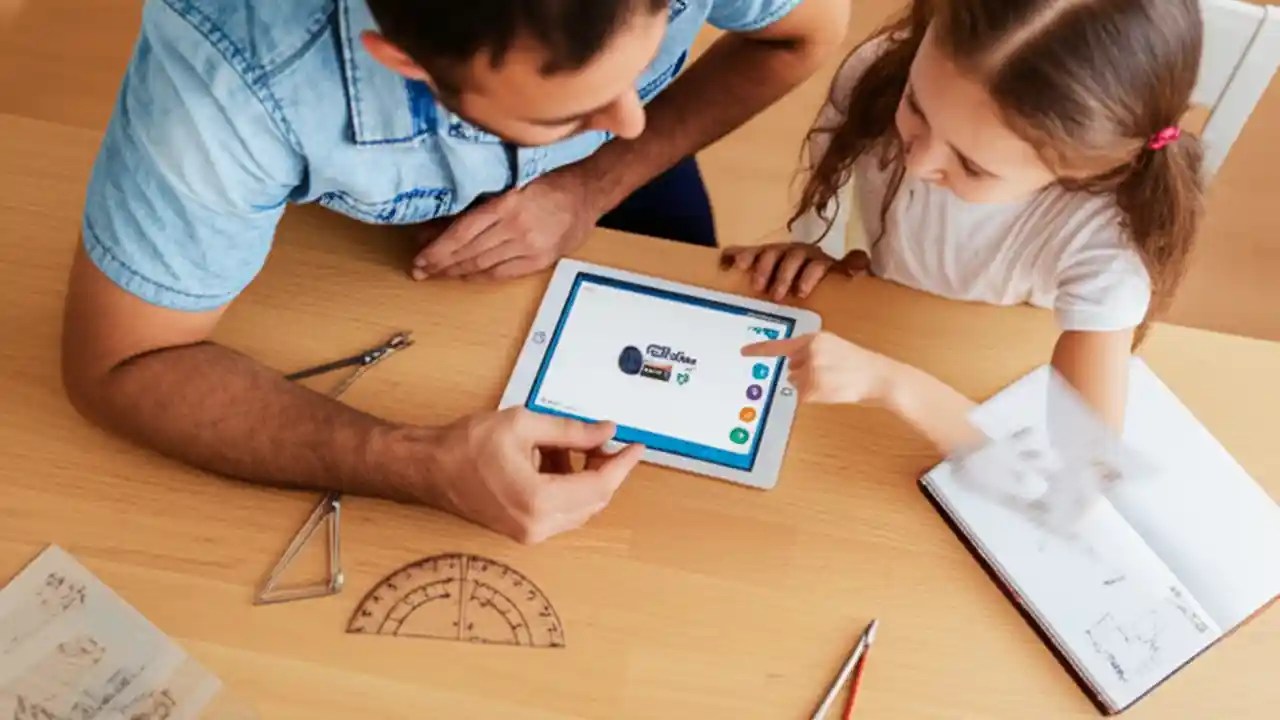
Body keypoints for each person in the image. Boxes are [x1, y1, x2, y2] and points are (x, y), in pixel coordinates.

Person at [60, 0, 848, 544]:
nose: (630, 117)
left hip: (615, 194)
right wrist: (417, 464)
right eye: (567, 110)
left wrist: (595, 180)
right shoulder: (229, 71)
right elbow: (122, 363)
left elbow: (805, 33)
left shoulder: (623, 129)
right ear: (399, 59)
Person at [725, 0, 1204, 454]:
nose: (918, 163)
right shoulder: (879, 73)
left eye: (972, 166)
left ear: (1081, 170)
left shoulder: (1106, 243)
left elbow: (1079, 474)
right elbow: (829, 193)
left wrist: (893, 385)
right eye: (915, 104)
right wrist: (816, 249)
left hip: (990, 358)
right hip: (892, 317)